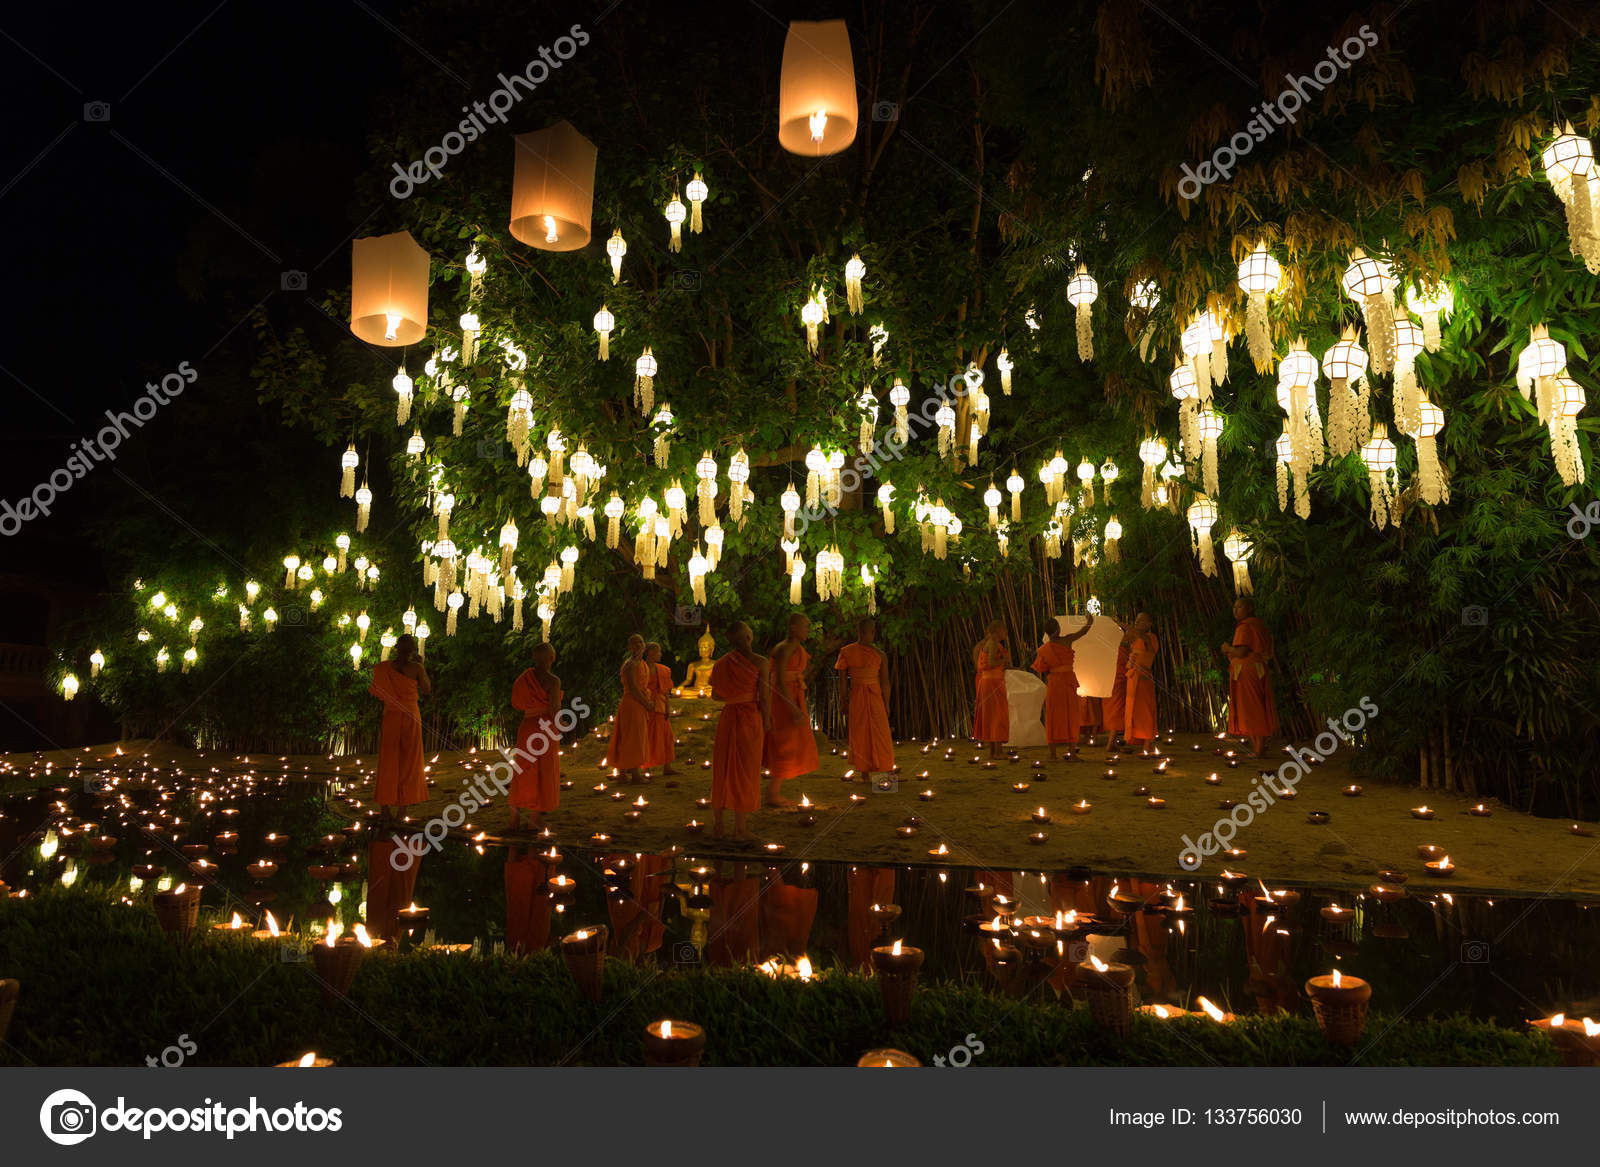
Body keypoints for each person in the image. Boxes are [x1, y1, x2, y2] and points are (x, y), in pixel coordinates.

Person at [710, 621, 770, 841]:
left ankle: (718, 826)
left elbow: (715, 695)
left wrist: (734, 696)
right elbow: (764, 696)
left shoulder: (721, 663)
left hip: (728, 717)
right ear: (748, 637)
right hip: (749, 718)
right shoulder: (760, 662)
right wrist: (767, 721)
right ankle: (740, 829)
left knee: (723, 768)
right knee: (745, 770)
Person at [370, 633, 430, 820]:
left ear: (396, 648)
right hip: (410, 716)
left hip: (392, 717)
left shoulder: (384, 668)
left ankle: (385, 808)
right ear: (412, 651)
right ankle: (402, 809)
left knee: (388, 761)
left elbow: (376, 690)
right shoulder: (416, 668)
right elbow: (427, 689)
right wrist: (423, 667)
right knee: (409, 762)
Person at [762, 613, 819, 807]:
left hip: (793, 694)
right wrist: (792, 707)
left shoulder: (795, 648)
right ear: (793, 628)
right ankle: (772, 792)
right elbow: (778, 680)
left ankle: (773, 790)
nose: (807, 631)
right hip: (783, 699)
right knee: (784, 743)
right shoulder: (785, 648)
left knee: (792, 741)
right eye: (805, 627)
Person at [508, 642, 562, 833]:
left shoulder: (524, 679)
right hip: (545, 726)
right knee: (541, 770)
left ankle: (514, 820)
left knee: (523, 770)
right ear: (552, 658)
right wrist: (560, 725)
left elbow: (516, 703)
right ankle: (533, 820)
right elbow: (555, 708)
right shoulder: (553, 681)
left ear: (534, 658)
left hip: (527, 726)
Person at [834, 617, 895, 784]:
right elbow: (843, 681)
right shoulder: (849, 652)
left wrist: (886, 702)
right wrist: (844, 700)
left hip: (870, 695)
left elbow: (884, 682)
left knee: (877, 732)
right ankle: (868, 773)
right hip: (861, 695)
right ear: (872, 633)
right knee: (865, 733)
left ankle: (882, 771)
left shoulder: (877, 654)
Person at [1032, 613, 1096, 760]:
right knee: (1071, 714)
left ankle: (1053, 753)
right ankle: (1072, 753)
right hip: (1067, 681)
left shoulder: (1044, 649)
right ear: (1058, 629)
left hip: (1054, 683)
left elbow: (1042, 668)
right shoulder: (1067, 640)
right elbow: (1083, 631)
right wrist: (1089, 621)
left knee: (1053, 715)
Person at [1221, 596, 1279, 757]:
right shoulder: (1259, 625)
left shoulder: (1246, 627)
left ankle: (1258, 748)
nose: (1235, 610)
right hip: (1256, 669)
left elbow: (1241, 651)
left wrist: (1227, 648)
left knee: (1252, 707)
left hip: (1248, 671)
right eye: (1234, 607)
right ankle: (1258, 746)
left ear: (1249, 609)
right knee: (1255, 705)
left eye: (1239, 607)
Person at [605, 634, 654, 783]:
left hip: (639, 703)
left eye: (641, 641)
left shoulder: (642, 664)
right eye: (635, 643)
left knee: (634, 737)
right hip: (632, 703)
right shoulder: (630, 665)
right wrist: (647, 704)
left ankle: (625, 774)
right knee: (631, 737)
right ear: (629, 647)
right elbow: (633, 688)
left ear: (644, 645)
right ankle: (633, 774)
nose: (639, 645)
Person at [973, 619, 1011, 758]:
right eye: (1004, 630)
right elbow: (990, 663)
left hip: (988, 681)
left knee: (992, 715)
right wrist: (1005, 660)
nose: (1006, 633)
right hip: (993, 682)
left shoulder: (988, 644)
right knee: (998, 715)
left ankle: (993, 752)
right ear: (997, 631)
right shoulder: (993, 643)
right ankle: (997, 752)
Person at [1124, 612, 1160, 753]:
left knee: (1145, 710)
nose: (1137, 622)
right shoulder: (1134, 639)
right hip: (1133, 677)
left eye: (1140, 620)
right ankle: (1136, 739)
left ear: (1149, 624)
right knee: (1134, 710)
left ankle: (1148, 742)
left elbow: (1142, 637)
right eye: (1136, 620)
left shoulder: (1150, 638)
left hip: (1144, 678)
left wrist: (1120, 624)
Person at [644, 641, 678, 776]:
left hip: (661, 705)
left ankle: (667, 767)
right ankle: (646, 767)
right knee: (648, 737)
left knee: (666, 736)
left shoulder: (664, 669)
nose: (660, 654)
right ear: (649, 653)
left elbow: (665, 692)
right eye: (657, 651)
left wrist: (667, 707)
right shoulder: (641, 668)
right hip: (647, 705)